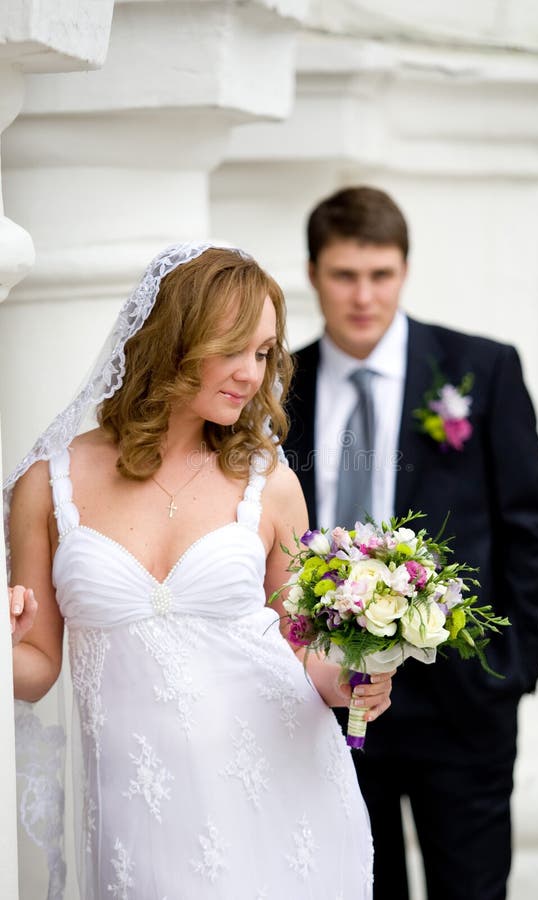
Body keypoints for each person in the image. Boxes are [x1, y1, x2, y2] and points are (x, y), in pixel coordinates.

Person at [6, 242, 395, 899]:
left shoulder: (270, 484)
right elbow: (37, 665)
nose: (252, 373)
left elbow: (305, 653)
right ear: (173, 342)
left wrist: (357, 677)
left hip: (281, 791)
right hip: (140, 815)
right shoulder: (49, 485)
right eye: (233, 347)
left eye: (265, 352)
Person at [284, 187, 538, 900]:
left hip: (463, 698)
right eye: (345, 275)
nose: (364, 296)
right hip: (329, 696)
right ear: (314, 273)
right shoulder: (281, 386)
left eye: (381, 275)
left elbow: (528, 529)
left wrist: (511, 668)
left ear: (405, 270)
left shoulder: (481, 371)